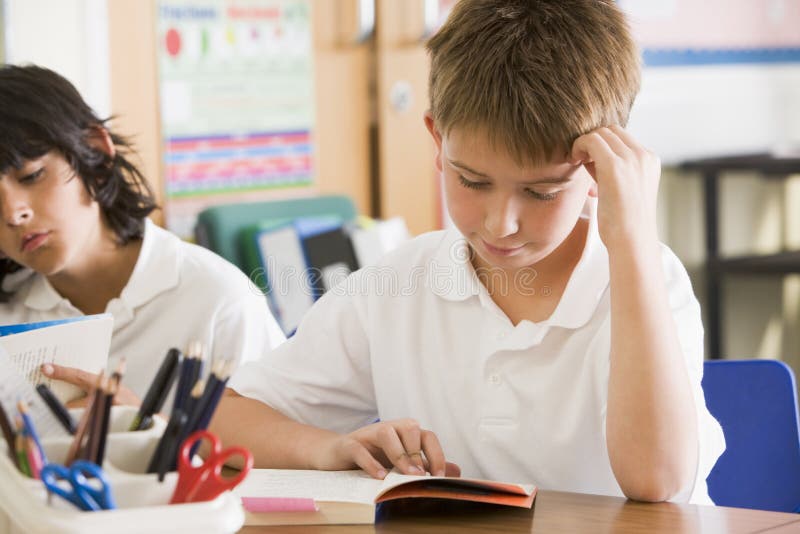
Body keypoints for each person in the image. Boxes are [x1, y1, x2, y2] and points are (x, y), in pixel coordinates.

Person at [211, 0, 725, 504]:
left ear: (598, 168)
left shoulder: (645, 276)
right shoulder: (403, 281)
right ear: (437, 139)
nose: (501, 222)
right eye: (472, 181)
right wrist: (328, 447)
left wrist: (630, 238)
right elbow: (222, 417)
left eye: (541, 192)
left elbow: (656, 482)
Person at [0, 64, 285, 404]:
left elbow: (281, 451)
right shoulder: (9, 314)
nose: (12, 213)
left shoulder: (218, 301)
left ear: (97, 152)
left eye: (31, 176)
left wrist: (145, 430)